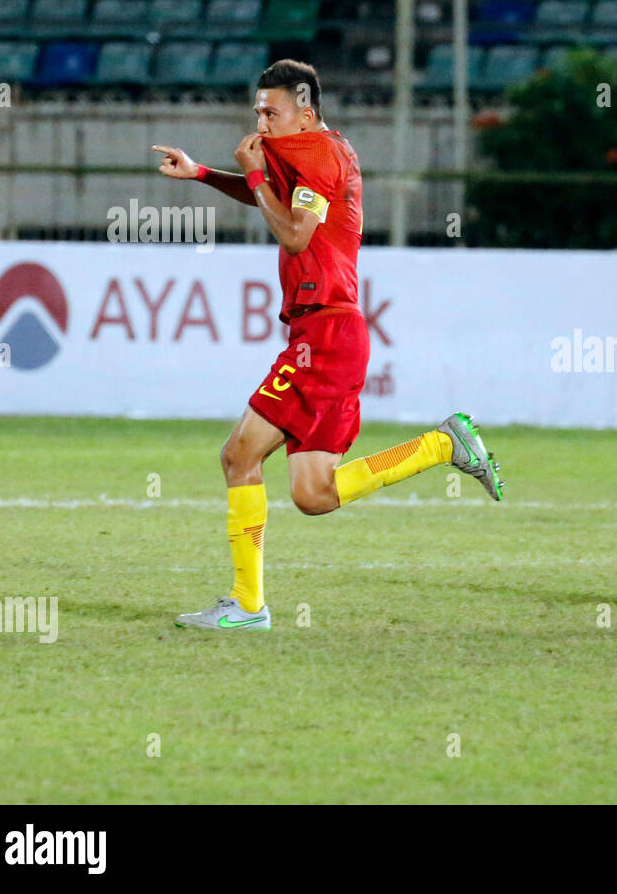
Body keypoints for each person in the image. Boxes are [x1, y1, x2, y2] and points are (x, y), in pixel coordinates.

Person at [152, 59, 502, 631]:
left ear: (305, 111)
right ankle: (443, 446)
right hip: (330, 333)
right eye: (257, 112)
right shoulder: (311, 151)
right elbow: (281, 203)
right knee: (314, 495)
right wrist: (203, 175)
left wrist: (256, 173)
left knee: (239, 457)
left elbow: (294, 233)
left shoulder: (315, 155)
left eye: (271, 112)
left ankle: (246, 607)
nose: (261, 122)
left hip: (325, 334)